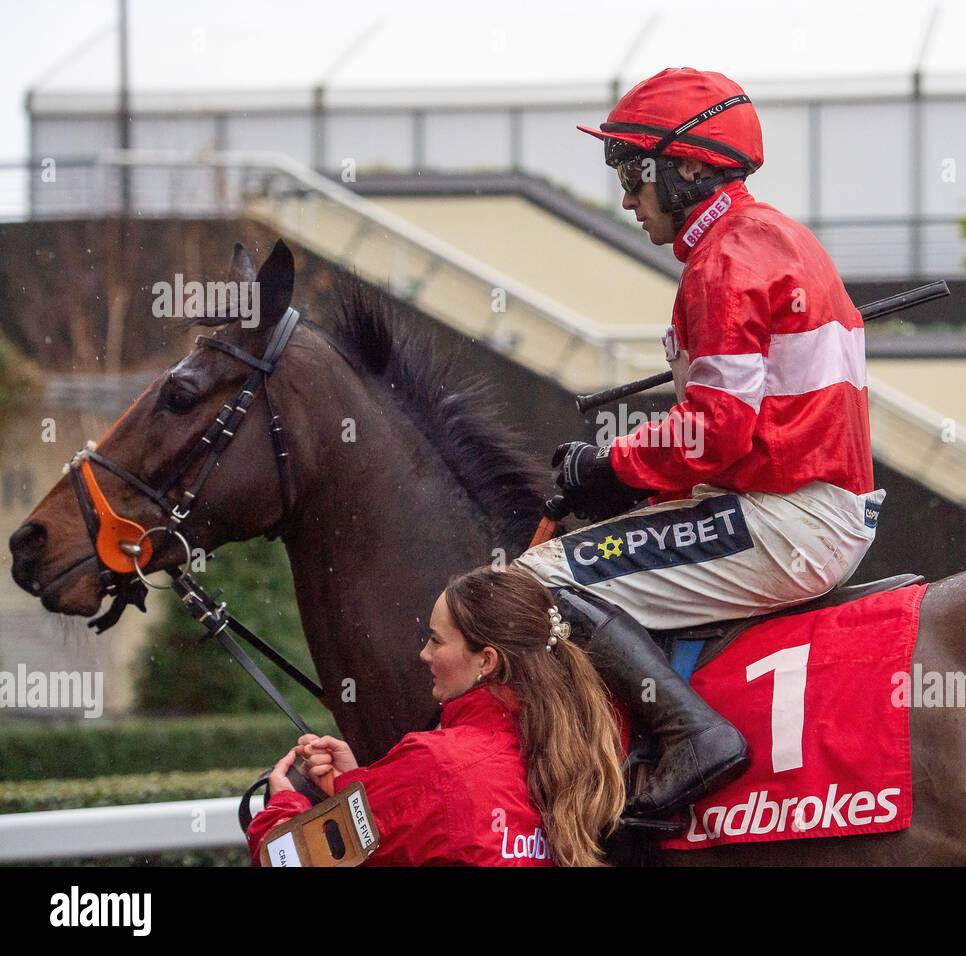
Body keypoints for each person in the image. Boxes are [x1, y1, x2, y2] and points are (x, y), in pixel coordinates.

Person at [514, 67, 886, 819]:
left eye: (632, 172)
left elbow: (715, 433)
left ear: (687, 166)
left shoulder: (724, 262)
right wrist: (631, 480)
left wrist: (608, 464)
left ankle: (694, 739)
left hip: (785, 520)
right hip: (805, 507)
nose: (625, 197)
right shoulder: (773, 236)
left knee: (532, 585)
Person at [245, 566, 625, 867]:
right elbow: (419, 826)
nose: (424, 654)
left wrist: (284, 805)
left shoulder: (437, 764)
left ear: (486, 661)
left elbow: (287, 859)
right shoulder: (563, 753)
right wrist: (358, 783)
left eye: (437, 640)